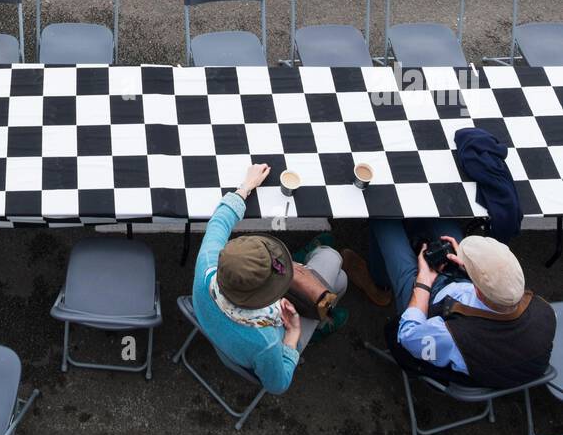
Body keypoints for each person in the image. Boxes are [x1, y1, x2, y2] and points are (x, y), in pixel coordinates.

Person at [192, 163, 348, 395]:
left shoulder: (207, 263)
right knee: (337, 271)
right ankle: (319, 314)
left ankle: (311, 269)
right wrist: (293, 335)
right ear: (265, 294)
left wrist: (246, 187)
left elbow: (219, 221)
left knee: (335, 274)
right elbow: (278, 384)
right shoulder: (267, 342)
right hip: (260, 345)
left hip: (211, 323)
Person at [355, 224, 554, 390]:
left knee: (384, 223)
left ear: (478, 291)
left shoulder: (452, 336)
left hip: (431, 304)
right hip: (469, 309)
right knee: (443, 220)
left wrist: (423, 280)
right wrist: (469, 268)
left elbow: (408, 336)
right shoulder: (545, 312)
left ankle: (379, 277)